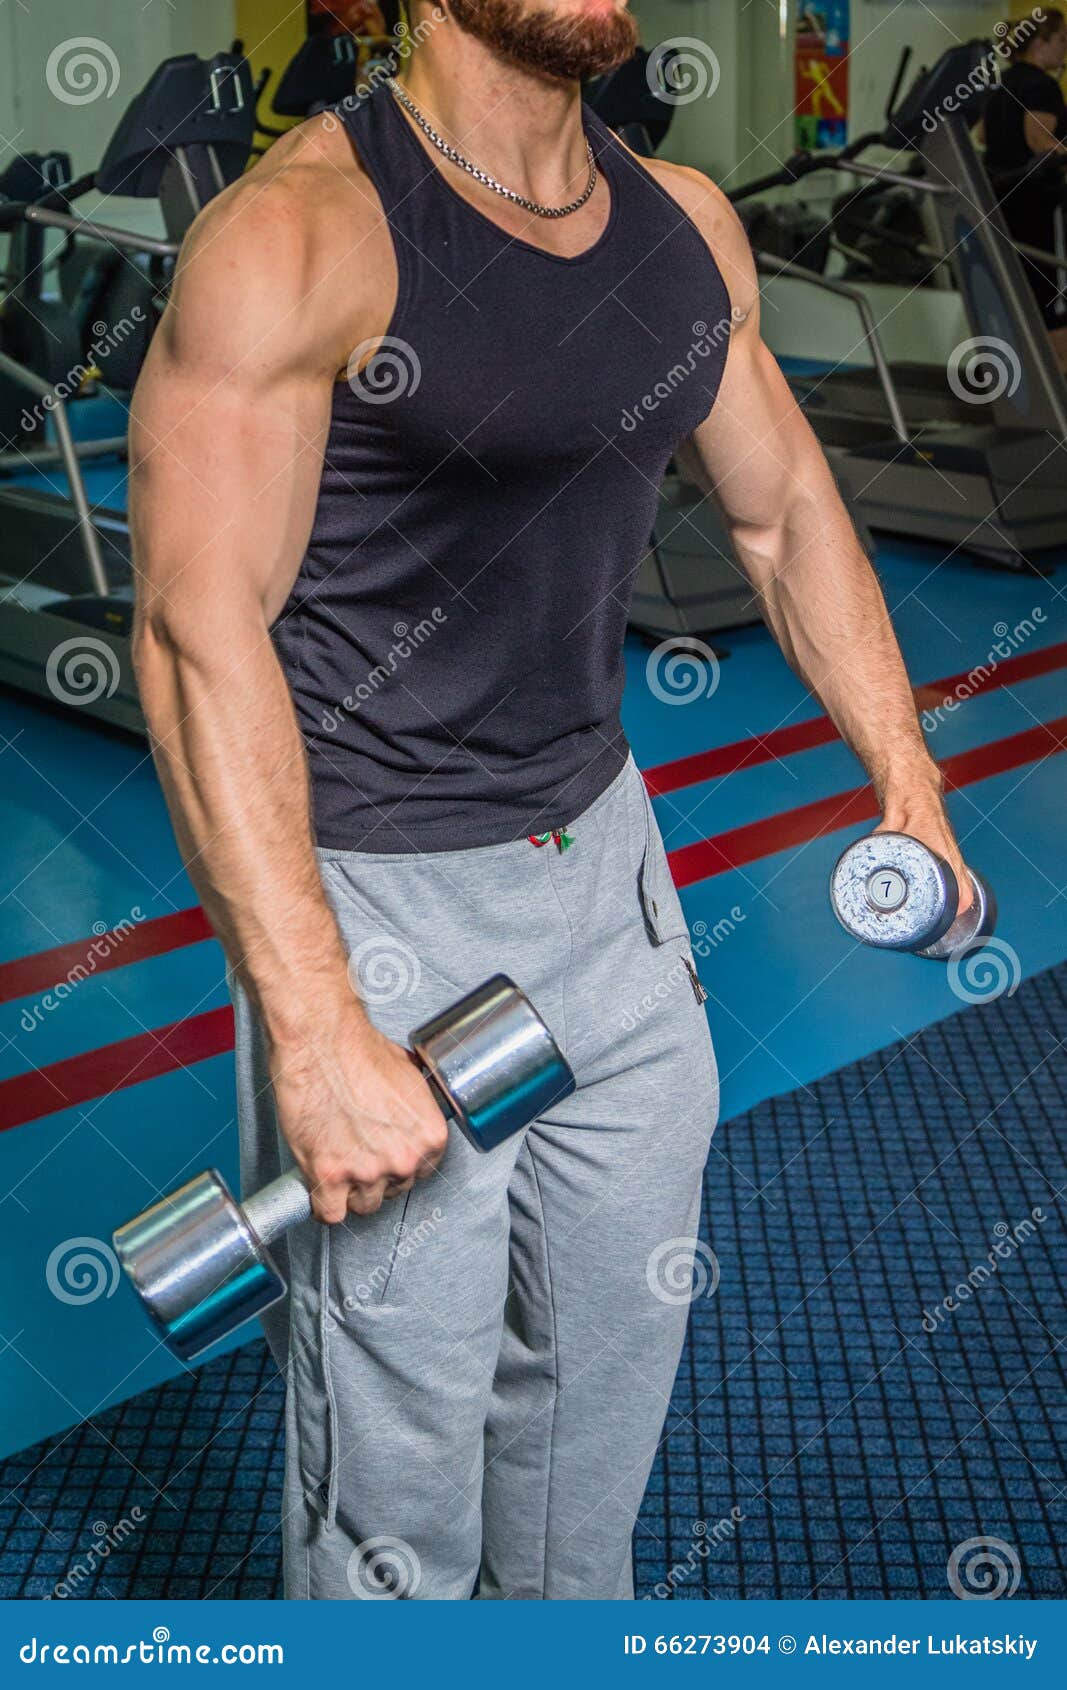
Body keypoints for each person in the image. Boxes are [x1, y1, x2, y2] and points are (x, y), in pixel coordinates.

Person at [129, 0, 972, 1600]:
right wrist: (311, 1029)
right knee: (396, 1468)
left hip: (612, 884)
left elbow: (785, 510)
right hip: (383, 909)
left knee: (599, 1410)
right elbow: (190, 630)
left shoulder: (681, 226)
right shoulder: (297, 235)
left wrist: (907, 781)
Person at [983, 8, 1067, 368]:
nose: (1065, 49)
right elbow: (1043, 144)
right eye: (1062, 40)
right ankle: (1057, 398)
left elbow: (982, 136)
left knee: (1024, 297)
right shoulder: (1041, 86)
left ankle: (1027, 387)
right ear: (1040, 43)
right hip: (1040, 207)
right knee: (1055, 306)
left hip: (1003, 205)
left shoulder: (1002, 82)